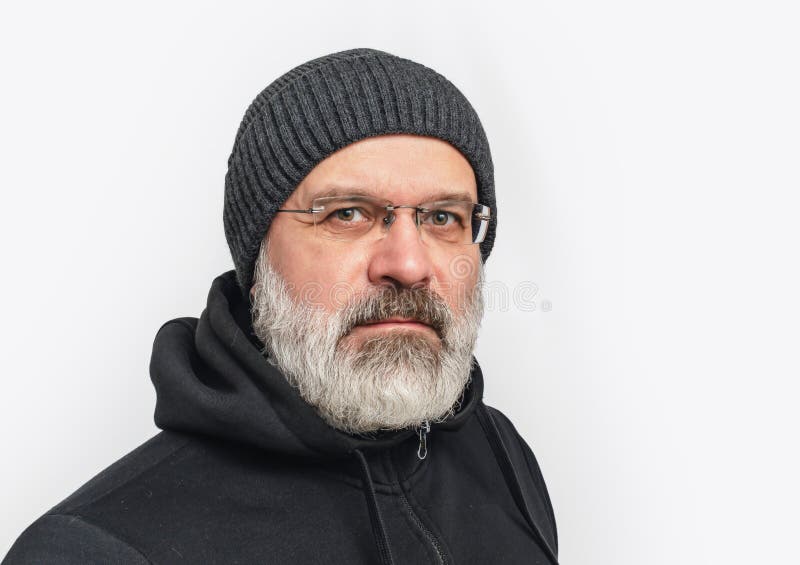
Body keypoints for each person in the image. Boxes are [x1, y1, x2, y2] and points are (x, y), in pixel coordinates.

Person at [3, 48, 558, 565]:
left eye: (442, 219)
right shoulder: (92, 550)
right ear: (257, 257)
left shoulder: (497, 450)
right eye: (347, 214)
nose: (408, 265)